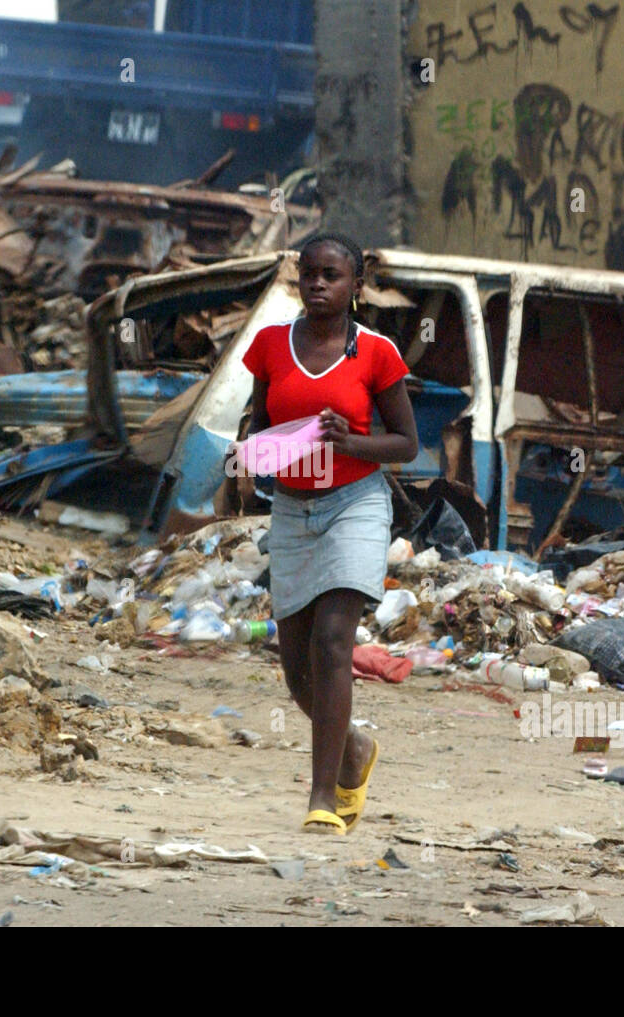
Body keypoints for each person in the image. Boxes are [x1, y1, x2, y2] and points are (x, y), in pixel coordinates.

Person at [233, 233, 419, 835]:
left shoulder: (377, 353)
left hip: (354, 505)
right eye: (309, 273)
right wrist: (247, 458)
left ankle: (323, 796)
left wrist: (350, 441)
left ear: (355, 285)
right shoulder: (269, 346)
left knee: (334, 640)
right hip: (292, 511)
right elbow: (258, 423)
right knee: (297, 673)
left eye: (331, 275)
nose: (318, 283)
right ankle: (355, 748)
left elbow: (406, 444)